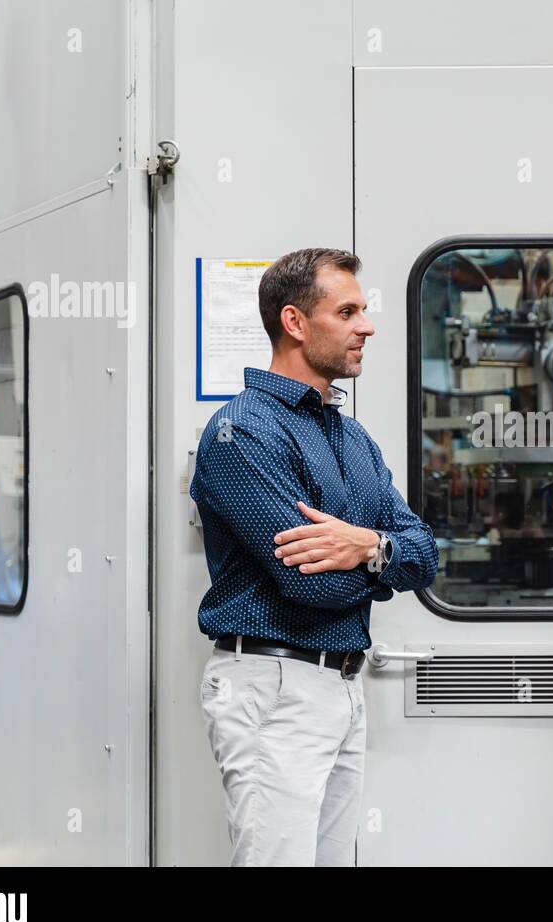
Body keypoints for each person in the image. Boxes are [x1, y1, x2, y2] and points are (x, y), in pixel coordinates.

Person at [190, 247, 438, 866]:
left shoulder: (351, 438)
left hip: (341, 685)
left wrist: (367, 547)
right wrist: (384, 559)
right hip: (275, 686)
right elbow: (310, 587)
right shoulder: (240, 433)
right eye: (348, 311)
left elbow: (425, 554)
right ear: (296, 323)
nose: (368, 326)